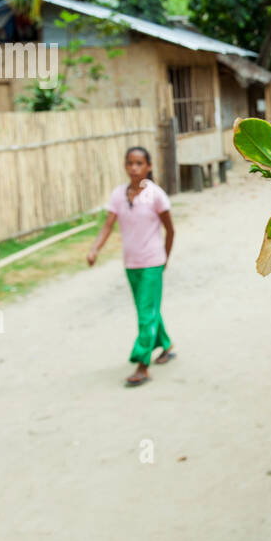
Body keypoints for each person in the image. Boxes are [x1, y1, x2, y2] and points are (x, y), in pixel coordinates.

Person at [87, 146, 175, 386]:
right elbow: (107, 226)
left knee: (146, 313)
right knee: (147, 309)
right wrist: (95, 249)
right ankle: (165, 345)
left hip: (152, 263)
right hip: (131, 264)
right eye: (130, 163)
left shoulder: (156, 195)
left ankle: (142, 365)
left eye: (139, 163)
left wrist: (164, 259)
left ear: (148, 167)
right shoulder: (118, 195)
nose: (134, 168)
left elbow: (170, 229)